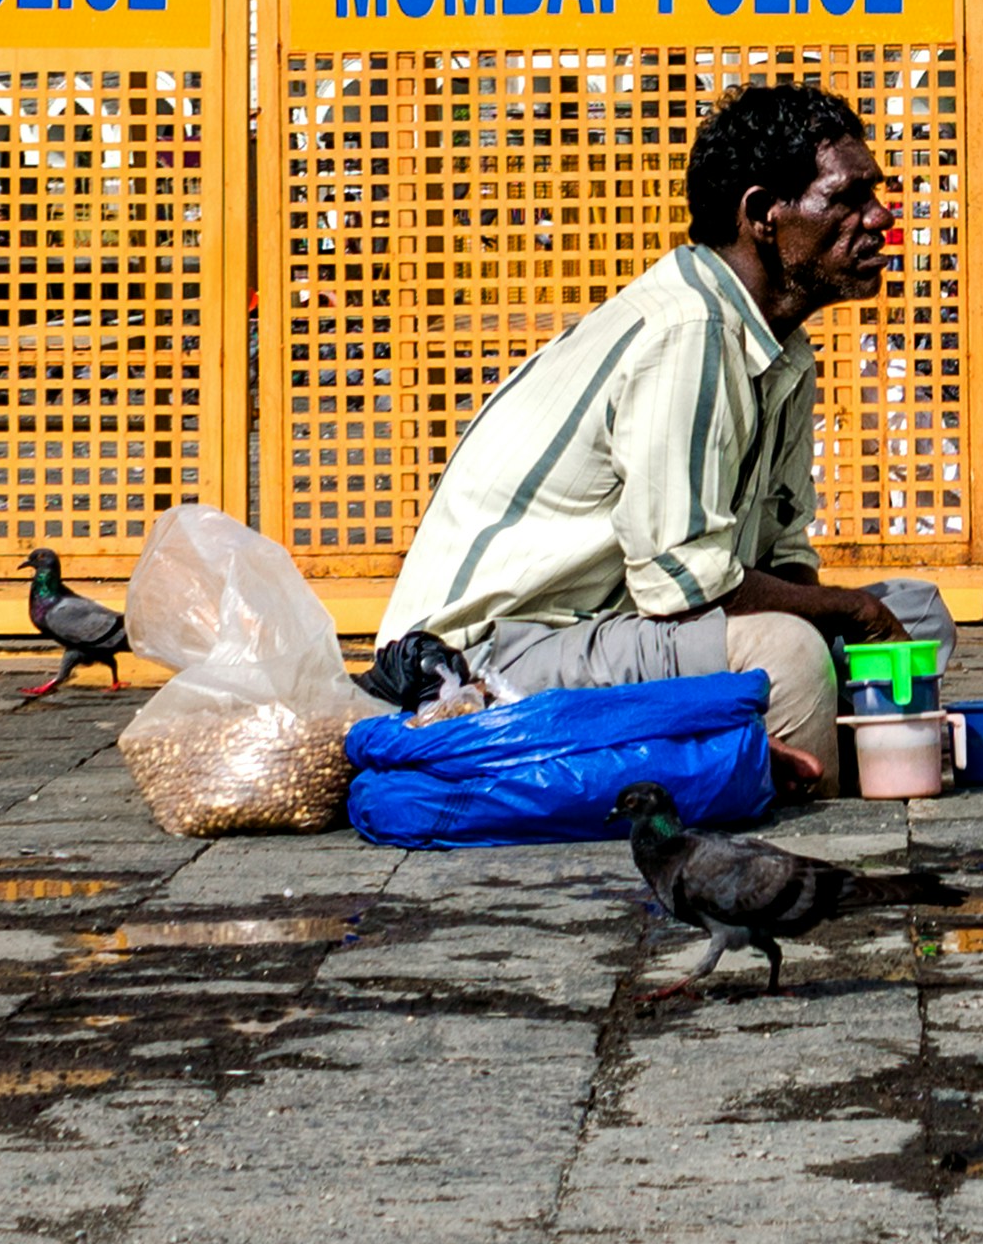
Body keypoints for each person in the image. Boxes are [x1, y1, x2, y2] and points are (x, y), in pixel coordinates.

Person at [372, 79, 921, 776]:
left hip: (609, 626)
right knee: (792, 651)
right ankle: (798, 804)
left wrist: (855, 615)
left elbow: (780, 551)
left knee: (915, 616)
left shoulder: (778, 343)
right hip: (474, 662)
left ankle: (752, 746)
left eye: (873, 194)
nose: (879, 217)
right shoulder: (690, 331)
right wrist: (852, 616)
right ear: (762, 213)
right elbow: (682, 582)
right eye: (846, 198)